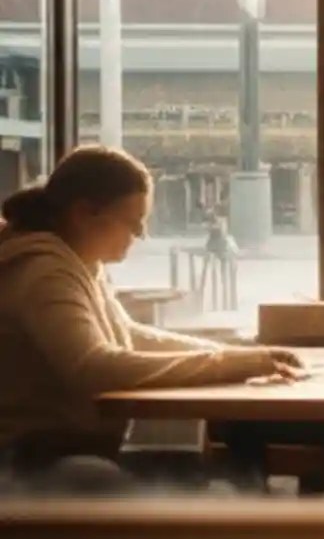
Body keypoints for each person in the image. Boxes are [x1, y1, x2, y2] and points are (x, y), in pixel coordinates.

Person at [0, 145, 298, 492]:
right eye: (133, 223)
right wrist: (233, 363)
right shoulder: (44, 271)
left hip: (69, 442)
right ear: (84, 214)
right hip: (32, 456)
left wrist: (238, 354)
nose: (141, 235)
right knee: (182, 488)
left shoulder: (77, 260)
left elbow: (128, 334)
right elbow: (94, 367)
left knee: (208, 469)